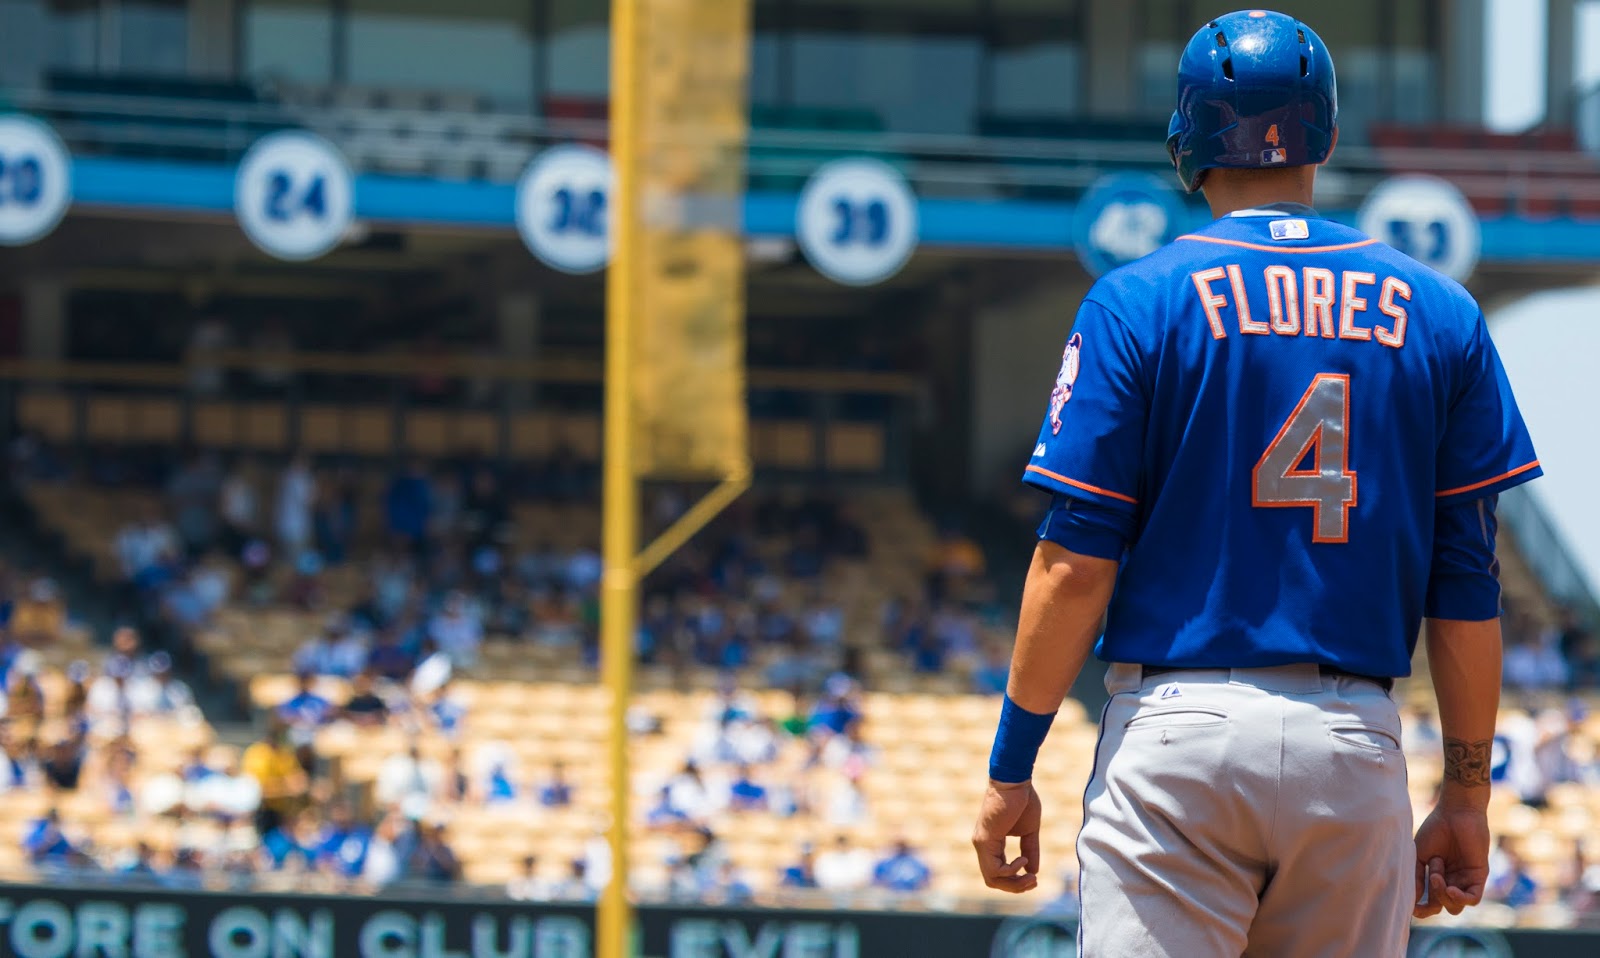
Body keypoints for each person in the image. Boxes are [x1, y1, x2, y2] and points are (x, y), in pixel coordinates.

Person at [970, 11, 1541, 958]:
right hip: (1352, 742)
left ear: (1188, 136)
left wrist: (1010, 769)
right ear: (1321, 131)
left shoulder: (1137, 298)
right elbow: (1468, 587)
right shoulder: (1441, 311)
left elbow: (1074, 562)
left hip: (1177, 735)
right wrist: (1467, 796)